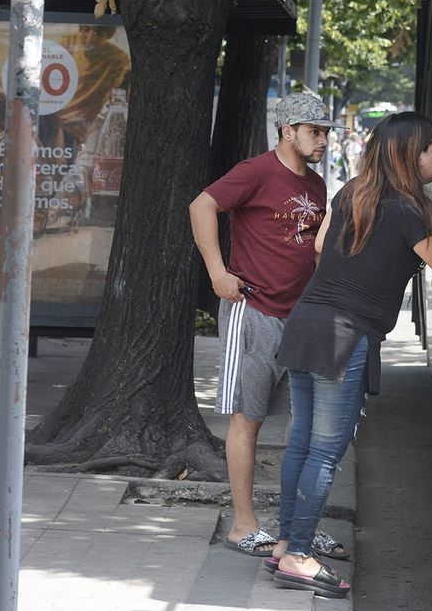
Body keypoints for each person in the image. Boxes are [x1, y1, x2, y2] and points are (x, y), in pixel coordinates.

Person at [267, 113, 432, 599]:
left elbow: (320, 246)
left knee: (300, 443)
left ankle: (285, 544)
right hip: (345, 335)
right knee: (325, 452)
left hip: (306, 324)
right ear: (412, 154)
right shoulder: (414, 212)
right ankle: (300, 555)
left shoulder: (353, 192)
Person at [188, 91, 346, 559]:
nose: (322, 140)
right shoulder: (255, 171)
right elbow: (201, 206)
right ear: (287, 131)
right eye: (314, 131)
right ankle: (243, 524)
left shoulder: (317, 185)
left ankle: (294, 529)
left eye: (325, 132)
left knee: (303, 425)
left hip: (300, 317)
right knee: (248, 418)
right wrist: (218, 273)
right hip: (252, 312)